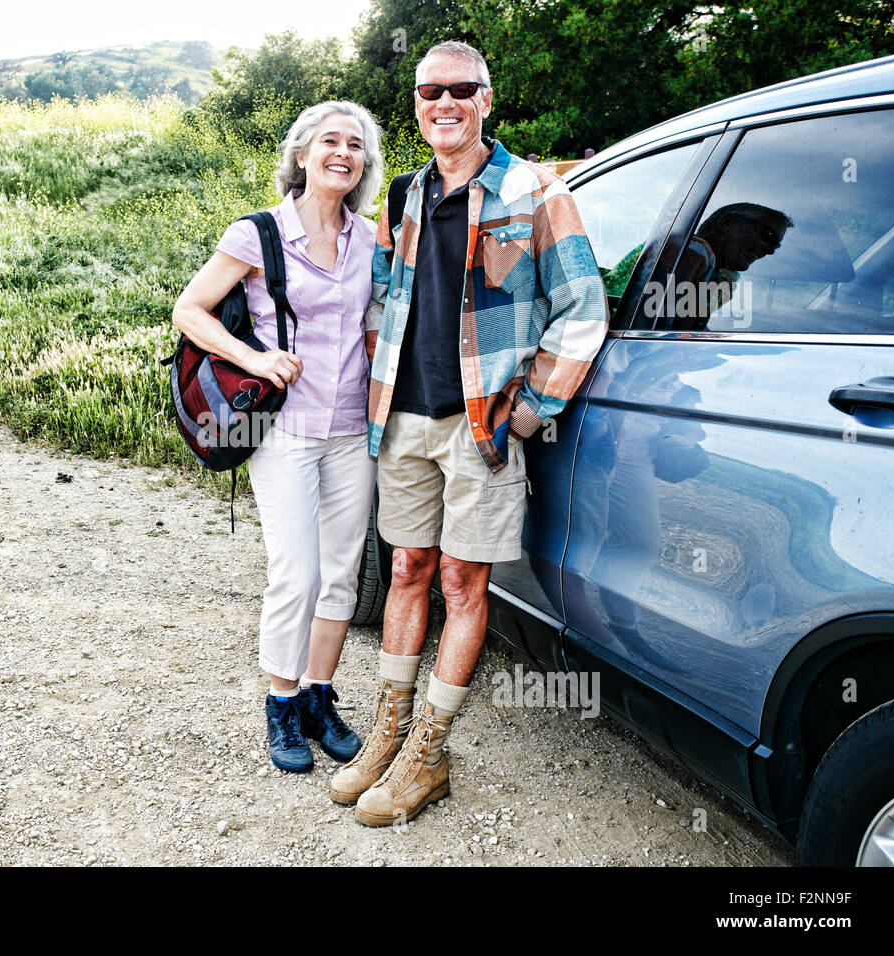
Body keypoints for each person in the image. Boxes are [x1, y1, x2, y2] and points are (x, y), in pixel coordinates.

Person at [330, 41, 609, 824]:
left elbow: (583, 309)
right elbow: (383, 299)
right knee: (408, 567)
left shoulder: (533, 192)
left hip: (483, 425)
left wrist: (531, 409)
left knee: (462, 582)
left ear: (487, 99)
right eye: (429, 92)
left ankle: (428, 752)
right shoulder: (403, 197)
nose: (443, 103)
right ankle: (388, 731)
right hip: (405, 420)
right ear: (415, 104)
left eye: (461, 90)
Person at [172, 101, 384, 773]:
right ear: (302, 155)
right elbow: (189, 309)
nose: (342, 152)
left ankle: (321, 697)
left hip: (352, 429)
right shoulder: (257, 235)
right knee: (298, 573)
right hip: (285, 431)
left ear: (363, 166)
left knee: (342, 575)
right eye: (330, 141)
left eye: (355, 145)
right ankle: (281, 703)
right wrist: (255, 358)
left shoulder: (372, 237)